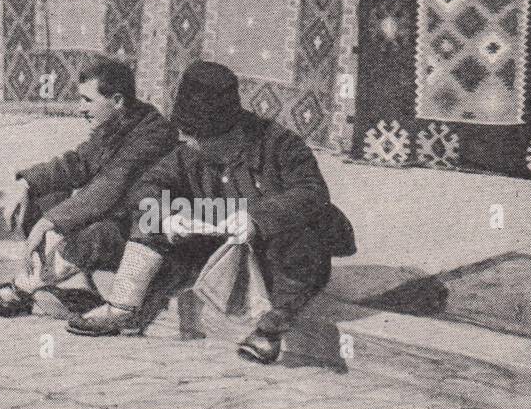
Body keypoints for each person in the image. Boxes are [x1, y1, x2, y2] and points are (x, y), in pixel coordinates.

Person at [65, 60, 357, 364]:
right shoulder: (191, 152)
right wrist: (167, 216)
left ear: (226, 132)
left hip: (275, 253)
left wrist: (256, 220)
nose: (188, 143)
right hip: (219, 250)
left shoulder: (281, 146)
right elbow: (148, 184)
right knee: (149, 214)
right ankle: (122, 308)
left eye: (196, 137)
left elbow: (312, 192)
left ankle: (269, 331)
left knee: (297, 242)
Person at [0, 56, 177, 319]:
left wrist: (48, 222)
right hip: (116, 219)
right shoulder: (119, 121)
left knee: (94, 232)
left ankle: (21, 290)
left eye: (88, 100)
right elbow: (77, 163)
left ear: (117, 100)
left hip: (145, 235)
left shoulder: (151, 135)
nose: (80, 108)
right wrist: (25, 182)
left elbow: (110, 186)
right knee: (41, 192)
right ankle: (76, 289)